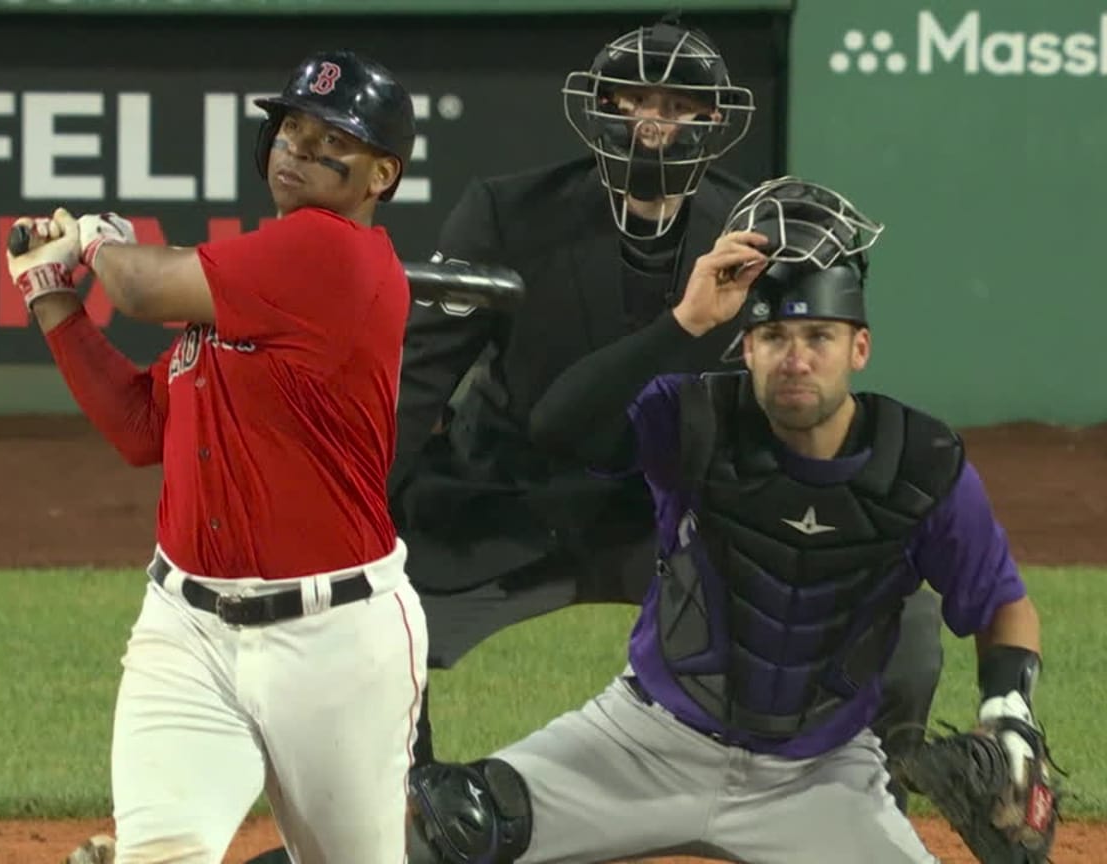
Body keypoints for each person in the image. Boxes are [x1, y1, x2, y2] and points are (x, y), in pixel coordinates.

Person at [404, 177, 1051, 864]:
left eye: (818, 336)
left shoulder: (920, 463)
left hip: (821, 780)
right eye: (772, 335)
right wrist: (685, 321)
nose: (795, 358)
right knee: (429, 842)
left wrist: (1008, 712)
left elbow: (1004, 605)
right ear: (746, 349)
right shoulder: (692, 420)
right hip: (642, 746)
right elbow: (560, 428)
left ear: (859, 349)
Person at [393, 10, 941, 811]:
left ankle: (872, 784)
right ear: (599, 108)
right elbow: (419, 380)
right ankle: (410, 796)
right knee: (367, 600)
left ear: (716, 120)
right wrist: (353, 510)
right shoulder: (507, 214)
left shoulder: (761, 234)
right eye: (632, 102)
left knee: (888, 586)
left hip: (677, 512)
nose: (653, 125)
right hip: (507, 498)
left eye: (680, 105)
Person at [8, 50, 428, 864]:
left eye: (329, 135)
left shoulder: (331, 255)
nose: (299, 147)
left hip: (334, 639)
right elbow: (139, 430)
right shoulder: (246, 283)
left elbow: (139, 287)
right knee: (160, 853)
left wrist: (94, 240)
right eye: (292, 127)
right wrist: (54, 302)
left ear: (381, 174)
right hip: (186, 626)